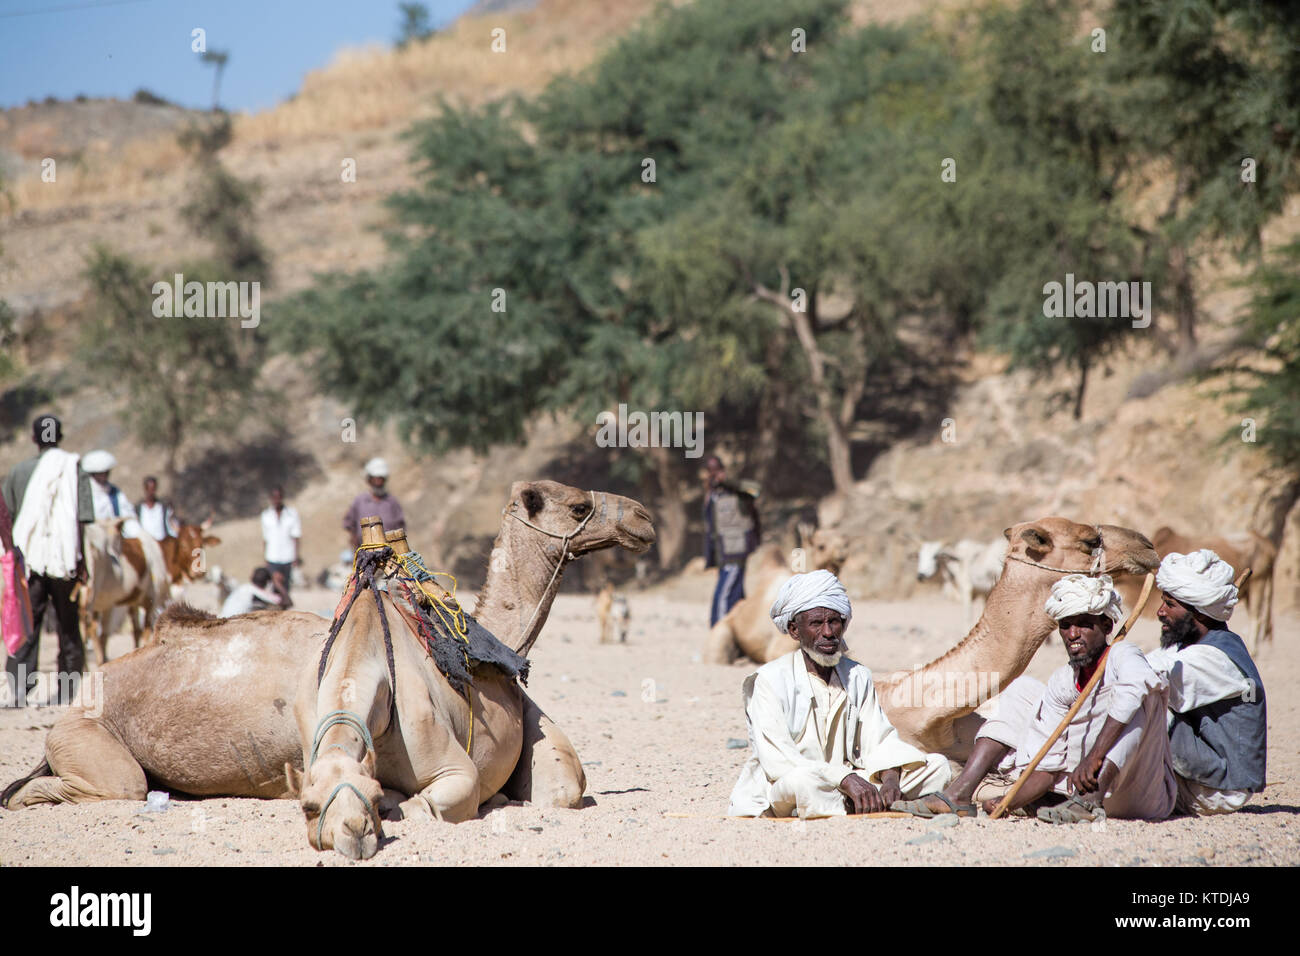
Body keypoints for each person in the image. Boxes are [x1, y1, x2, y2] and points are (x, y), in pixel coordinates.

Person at [894, 574, 1176, 824]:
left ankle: (1091, 800)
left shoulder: (1122, 655)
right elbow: (1047, 764)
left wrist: (1094, 756)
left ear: (1106, 625)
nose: (1073, 634)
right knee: (1023, 688)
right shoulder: (1063, 681)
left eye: (1084, 624)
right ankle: (959, 795)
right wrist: (1008, 801)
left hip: (1139, 795)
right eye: (1065, 625)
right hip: (1072, 795)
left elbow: (1136, 687)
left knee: (1143, 696)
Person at [728, 570, 951, 818]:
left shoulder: (857, 675)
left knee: (937, 766)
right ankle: (856, 803)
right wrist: (844, 778)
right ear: (794, 630)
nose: (828, 632)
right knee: (803, 783)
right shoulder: (770, 681)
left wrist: (890, 779)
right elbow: (778, 761)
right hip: (794, 783)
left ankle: (855, 803)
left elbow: (878, 738)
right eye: (816, 623)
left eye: (834, 621)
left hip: (850, 781)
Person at [1146, 549, 1266, 815]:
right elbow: (1150, 663)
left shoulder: (1214, 658)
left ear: (1199, 612)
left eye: (1170, 604)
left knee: (1146, 702)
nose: (1160, 612)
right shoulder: (1187, 647)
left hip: (1219, 789)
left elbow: (1144, 677)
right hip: (1197, 770)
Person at [2, 415, 95, 705]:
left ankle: (19, 690)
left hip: (29, 562)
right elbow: (82, 519)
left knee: (28, 622)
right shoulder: (73, 468)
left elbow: (9, 516)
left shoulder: (18, 472)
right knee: (68, 626)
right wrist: (81, 562)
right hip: (65, 560)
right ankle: (67, 691)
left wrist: (11, 557)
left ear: (33, 439)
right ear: (60, 437)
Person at [702, 455, 760, 627]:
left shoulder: (737, 492)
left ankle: (717, 631)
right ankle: (742, 635)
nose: (714, 476)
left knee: (723, 596)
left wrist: (729, 482)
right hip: (722, 554)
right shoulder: (712, 496)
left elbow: (756, 490)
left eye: (716, 471)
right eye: (710, 472)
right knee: (737, 596)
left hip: (735, 551)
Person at [343, 457, 405, 550]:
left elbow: (401, 527)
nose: (378, 483)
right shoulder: (360, 501)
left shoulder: (392, 502)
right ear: (369, 480)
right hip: (365, 554)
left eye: (381, 479)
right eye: (376, 480)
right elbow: (349, 525)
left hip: (391, 553)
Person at [82, 450, 140, 539]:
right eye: (101, 473)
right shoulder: (85, 494)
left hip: (114, 536)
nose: (104, 476)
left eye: (106, 472)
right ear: (93, 474)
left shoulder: (115, 492)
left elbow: (127, 514)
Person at [260, 485, 301, 596]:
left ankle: (284, 610)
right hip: (272, 557)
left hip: (287, 557)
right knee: (274, 588)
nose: (276, 500)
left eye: (278, 497)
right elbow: (265, 538)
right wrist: (265, 558)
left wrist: (296, 557)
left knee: (286, 587)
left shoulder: (292, 514)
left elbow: (296, 537)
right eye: (274, 497)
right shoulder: (266, 515)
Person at [219, 566, 288, 617]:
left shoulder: (244, 587)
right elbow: (286, 603)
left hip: (224, 617)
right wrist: (277, 583)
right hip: (232, 623)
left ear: (251, 578)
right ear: (267, 582)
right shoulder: (258, 593)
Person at [136, 476, 178, 544]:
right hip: (145, 545)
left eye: (153, 489)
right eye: (148, 489)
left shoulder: (164, 508)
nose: (151, 492)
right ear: (145, 489)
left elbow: (172, 527)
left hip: (162, 544)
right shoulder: (138, 509)